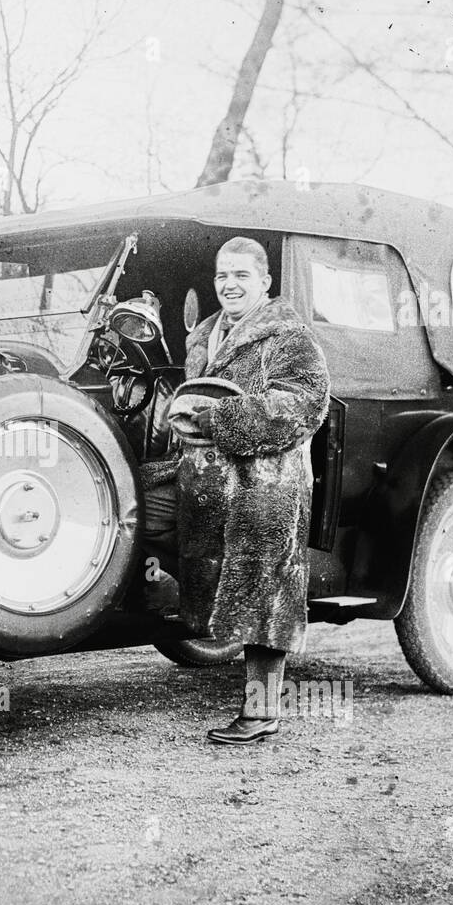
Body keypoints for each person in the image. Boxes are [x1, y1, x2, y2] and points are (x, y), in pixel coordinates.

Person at [142, 236, 329, 744]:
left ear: (265, 283)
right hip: (204, 481)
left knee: (265, 591)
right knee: (136, 513)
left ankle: (262, 712)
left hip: (265, 486)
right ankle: (179, 616)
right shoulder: (204, 335)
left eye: (242, 276)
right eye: (223, 275)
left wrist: (217, 420)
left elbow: (305, 404)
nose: (229, 285)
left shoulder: (288, 335)